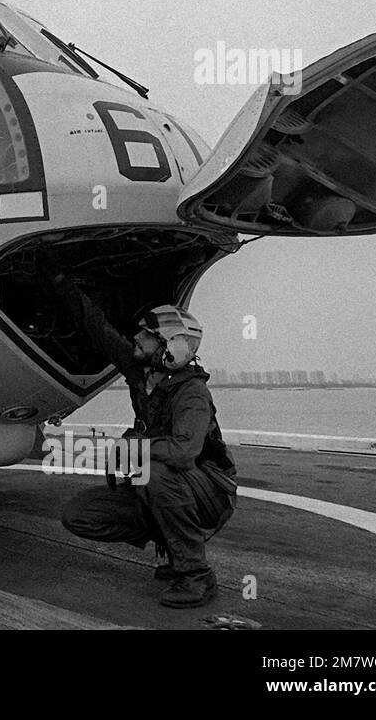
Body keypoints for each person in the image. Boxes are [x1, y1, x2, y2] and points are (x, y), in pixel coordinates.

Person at [38, 255, 238, 608]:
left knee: (157, 472)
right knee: (79, 514)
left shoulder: (191, 392)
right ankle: (173, 544)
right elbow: (96, 327)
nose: (136, 338)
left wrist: (131, 448)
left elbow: (183, 452)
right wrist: (57, 279)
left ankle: (195, 574)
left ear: (169, 347)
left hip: (208, 491)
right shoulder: (138, 374)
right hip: (168, 486)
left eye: (146, 336)